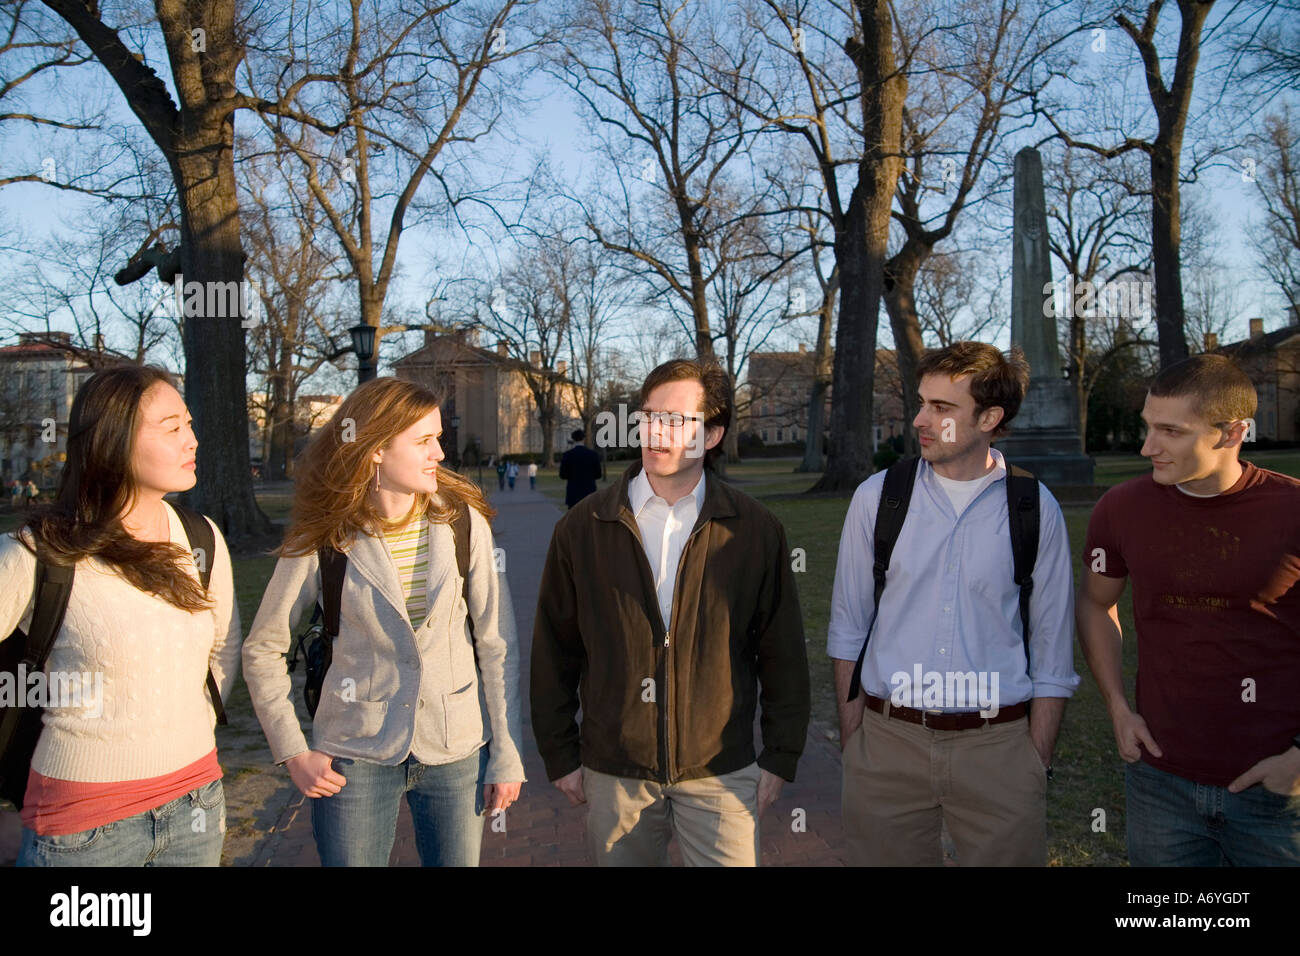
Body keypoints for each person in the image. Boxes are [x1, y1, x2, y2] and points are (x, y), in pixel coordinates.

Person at [532, 358, 810, 867]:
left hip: (721, 771)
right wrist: (560, 754)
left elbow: (783, 652)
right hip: (616, 772)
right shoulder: (583, 527)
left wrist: (780, 755)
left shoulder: (754, 529)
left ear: (713, 434)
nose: (655, 432)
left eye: (677, 420)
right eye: (649, 416)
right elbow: (554, 651)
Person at [242, 377, 526, 867]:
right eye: (423, 441)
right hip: (355, 752)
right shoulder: (325, 533)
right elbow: (262, 648)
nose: (439, 453)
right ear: (375, 449)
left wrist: (507, 750)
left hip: (455, 746)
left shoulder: (462, 523)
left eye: (439, 438)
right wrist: (292, 751)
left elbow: (497, 643)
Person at [828, 342, 1078, 866]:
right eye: (921, 402)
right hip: (886, 746)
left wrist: (1035, 759)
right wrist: (855, 744)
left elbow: (1053, 651)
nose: (920, 419)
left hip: (998, 749)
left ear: (989, 418)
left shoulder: (1034, 508)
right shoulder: (877, 498)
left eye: (941, 407)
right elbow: (848, 630)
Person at [0, 365, 240, 866]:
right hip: (82, 826)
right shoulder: (39, 551)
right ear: (112, 439)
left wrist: (189, 729)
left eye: (190, 424)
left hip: (197, 805)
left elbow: (223, 648)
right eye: (172, 428)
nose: (192, 440)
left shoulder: (201, 538)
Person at [1076, 354, 1300, 866]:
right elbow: (1095, 603)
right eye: (1148, 426)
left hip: (1278, 790)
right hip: (1158, 779)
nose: (1147, 447)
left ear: (1233, 433)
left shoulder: (1291, 509)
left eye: (1171, 432)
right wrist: (1117, 708)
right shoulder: (1120, 508)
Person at [559, 429, 603, 508]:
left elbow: (562, 475)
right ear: (584, 439)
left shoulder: (567, 455)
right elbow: (598, 474)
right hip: (589, 491)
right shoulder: (593, 455)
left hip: (573, 492)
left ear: (573, 439)